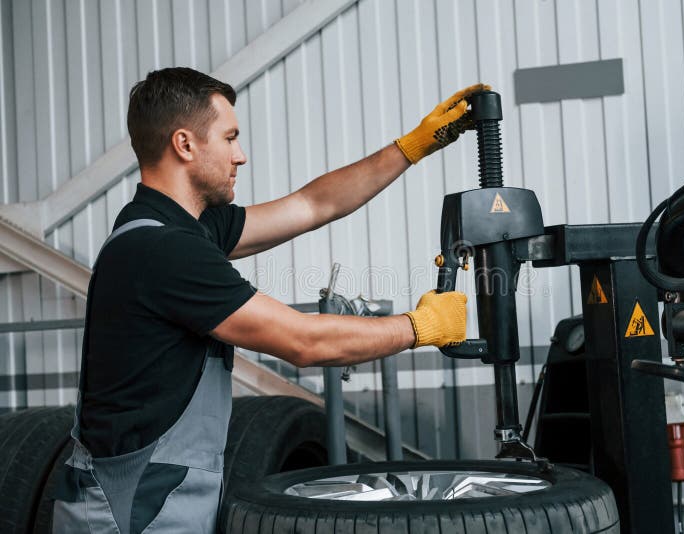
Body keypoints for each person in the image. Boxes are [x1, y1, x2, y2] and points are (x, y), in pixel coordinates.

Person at [52, 67, 487, 533]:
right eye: (230, 137)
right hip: (130, 513)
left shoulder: (183, 228)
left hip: (156, 500)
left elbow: (313, 205)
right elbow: (304, 342)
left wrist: (411, 148)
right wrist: (420, 326)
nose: (240, 156)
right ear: (184, 144)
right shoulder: (163, 250)